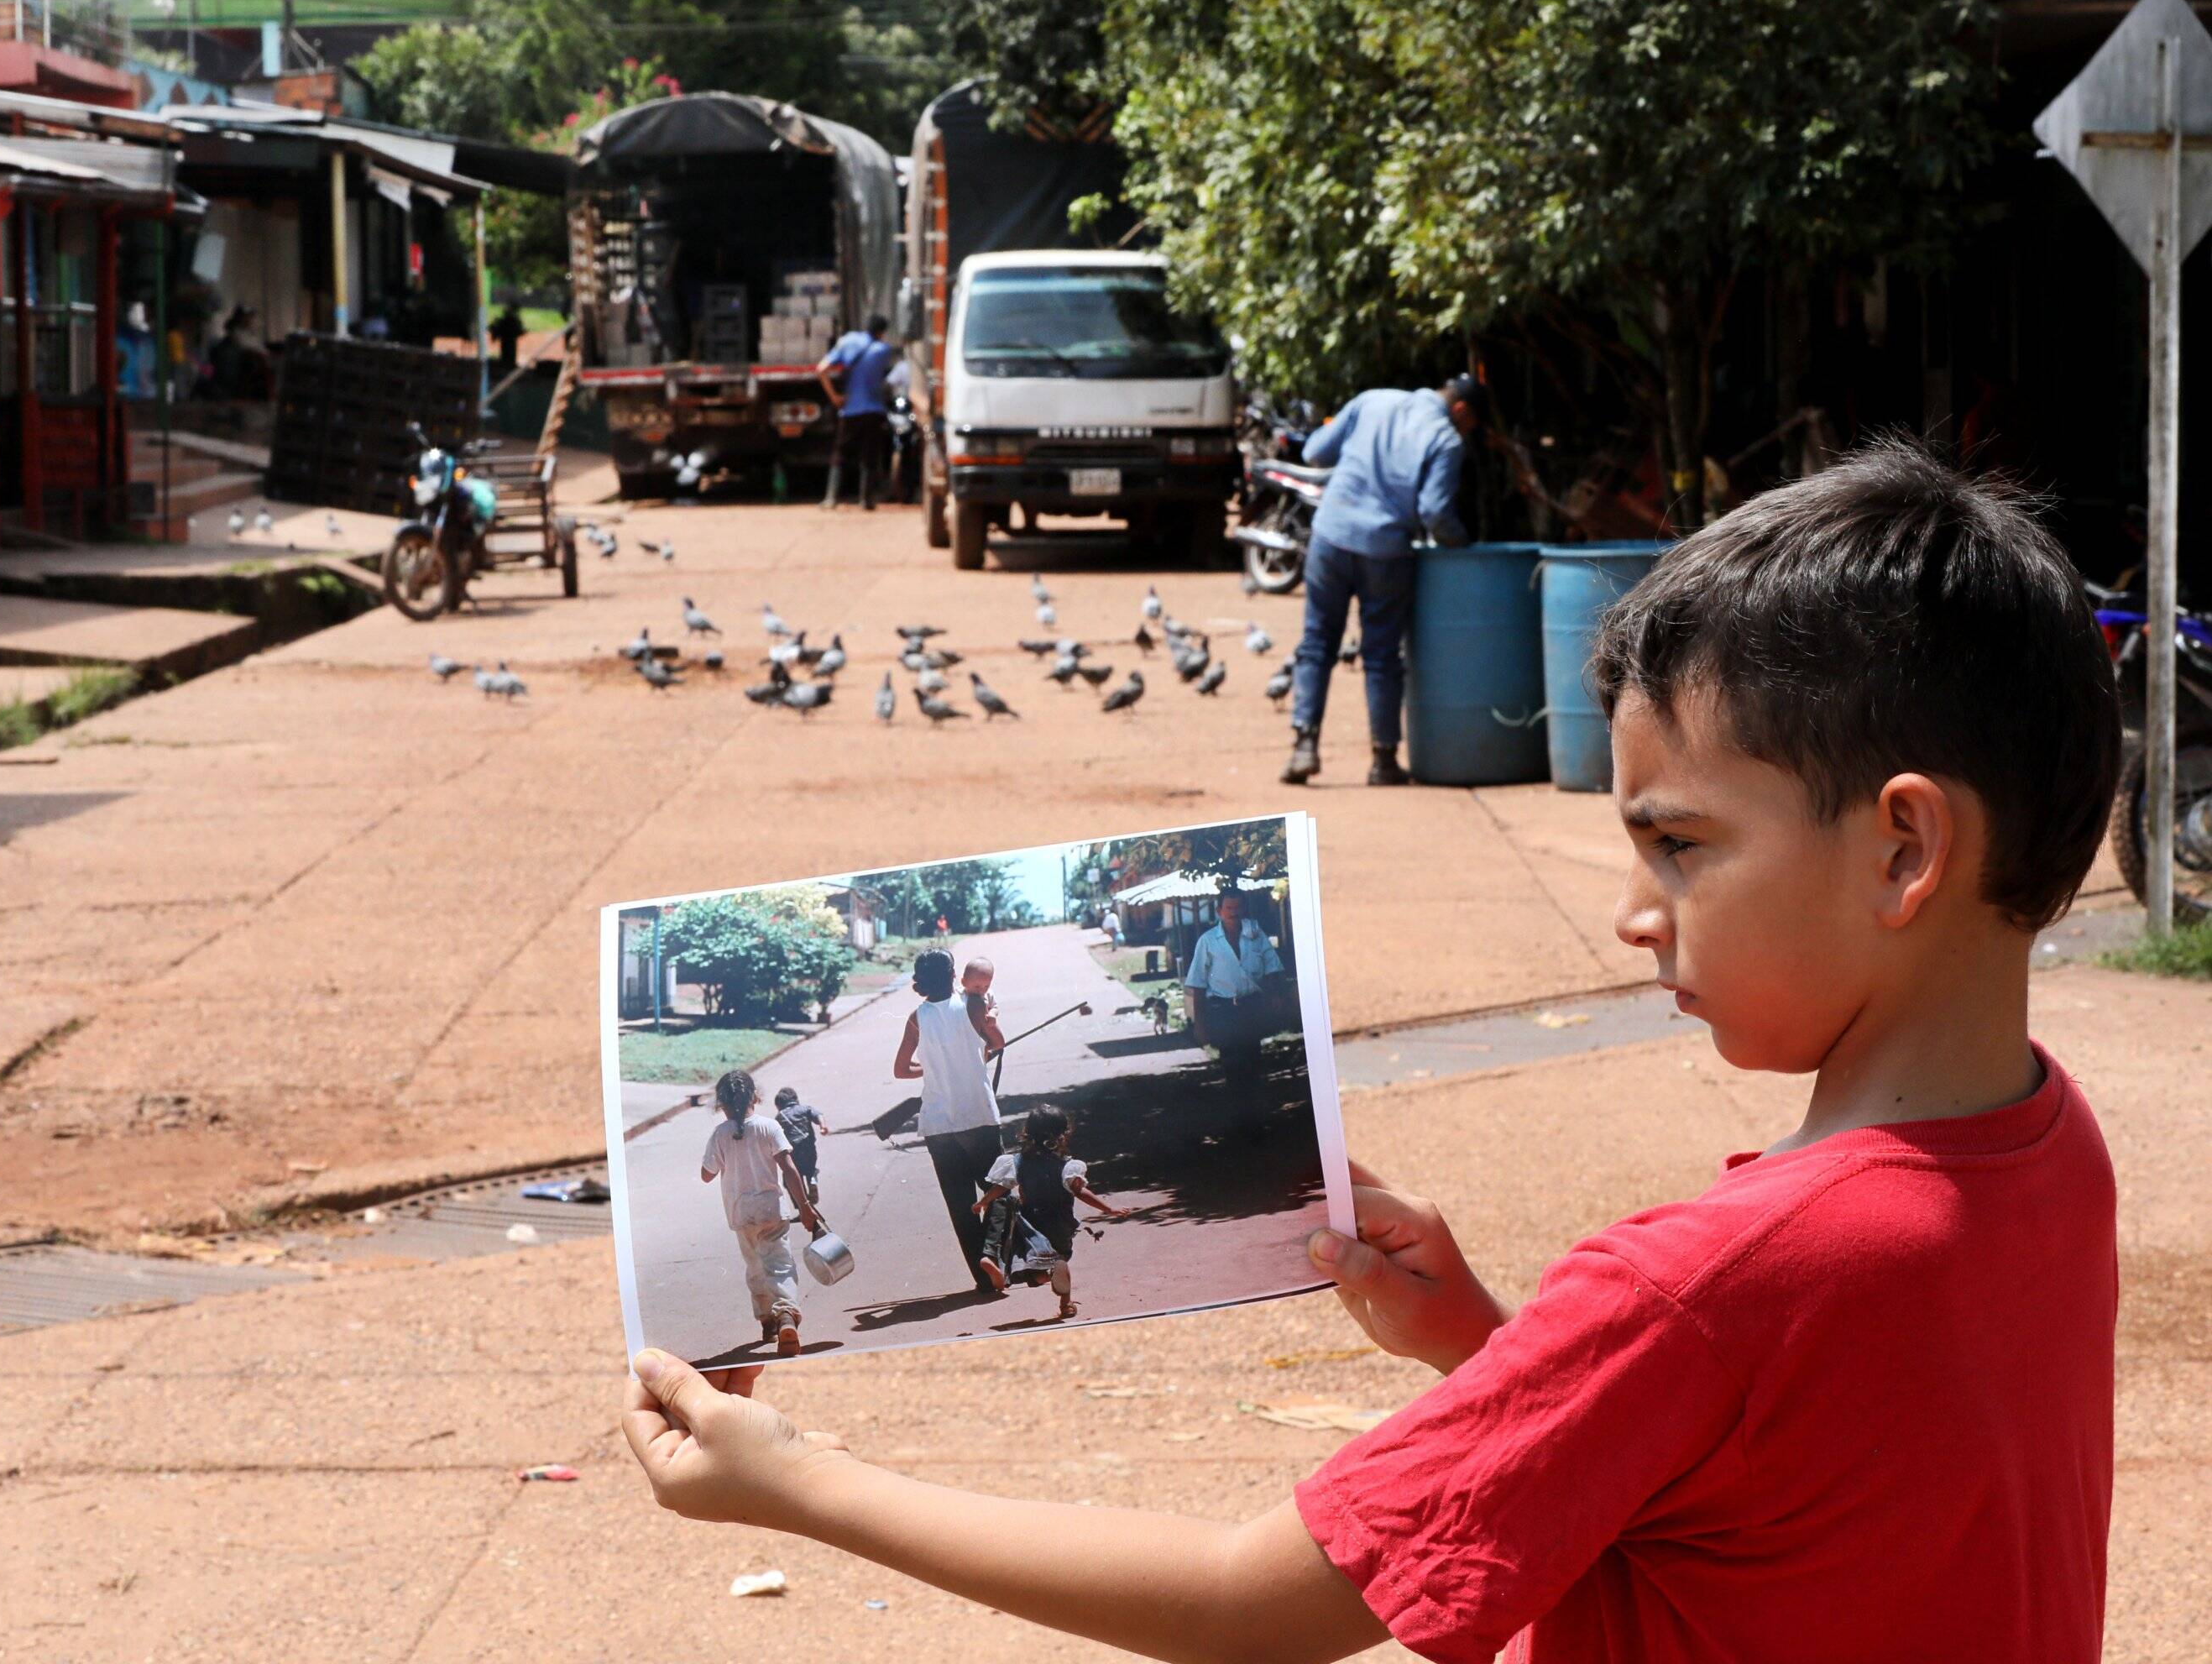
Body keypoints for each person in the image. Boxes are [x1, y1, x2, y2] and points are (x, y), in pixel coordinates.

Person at [619, 439, 2124, 1663]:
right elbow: (1778, 1480)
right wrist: (1498, 1351)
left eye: (1677, 847)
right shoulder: (2049, 1149)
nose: (1631, 918)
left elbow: (1240, 1604)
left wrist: (800, 1484)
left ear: (1903, 848)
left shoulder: (1700, 1289)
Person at [1281, 372, 1488, 788]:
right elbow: (1433, 511)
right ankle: (1383, 761)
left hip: (1331, 538)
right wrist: (1462, 545)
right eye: (1469, 424)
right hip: (1385, 553)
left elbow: (1317, 452)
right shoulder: (1445, 441)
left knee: (1317, 643)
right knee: (1380, 654)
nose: (1464, 431)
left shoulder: (1372, 400)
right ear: (1461, 409)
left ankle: (1304, 746)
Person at [891, 949, 1006, 1295]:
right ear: (954, 974)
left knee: (960, 1205)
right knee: (1000, 1192)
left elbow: (900, 1070)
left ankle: (984, 1278)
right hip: (979, 1117)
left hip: (938, 1125)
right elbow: (997, 1043)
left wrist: (932, 1066)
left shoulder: (916, 1018)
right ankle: (996, 1256)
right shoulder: (972, 1005)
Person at [698, 1069, 824, 1358]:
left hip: (741, 1215)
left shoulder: (720, 1135)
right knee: (779, 1264)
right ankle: (787, 1317)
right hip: (772, 1210)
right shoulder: (769, 1127)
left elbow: (707, 1174)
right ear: (755, 1096)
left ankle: (768, 1321)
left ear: (721, 1105)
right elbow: (789, 1169)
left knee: (755, 1266)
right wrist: (804, 1207)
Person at [972, 1104, 1124, 1318]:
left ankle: (1034, 1274)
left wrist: (984, 1201)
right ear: (1063, 1135)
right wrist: (1109, 1208)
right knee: (1061, 1257)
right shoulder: (1068, 1167)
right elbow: (1080, 1192)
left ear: (1026, 1133)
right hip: (1060, 1224)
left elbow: (1002, 1187)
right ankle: (1066, 1304)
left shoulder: (1017, 1162)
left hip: (1032, 1224)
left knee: (1034, 1262)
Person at [1180, 890, 1284, 1083]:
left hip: (1252, 1008)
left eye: (1238, 907)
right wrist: (1200, 1024)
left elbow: (1272, 966)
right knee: (1233, 1066)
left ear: (1244, 909)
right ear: (1219, 910)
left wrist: (1274, 996)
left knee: (1254, 1063)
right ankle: (1239, 1108)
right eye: (1229, 908)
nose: (1234, 912)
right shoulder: (1208, 941)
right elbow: (1198, 984)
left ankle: (1256, 1108)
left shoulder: (1256, 935)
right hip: (1223, 1011)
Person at [818, 314, 897, 511]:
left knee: (840, 453)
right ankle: (866, 500)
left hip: (851, 409)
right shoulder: (883, 350)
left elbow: (821, 369)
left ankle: (831, 498)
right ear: (881, 332)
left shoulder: (848, 341)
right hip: (874, 410)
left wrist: (835, 397)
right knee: (870, 456)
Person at [771, 1086, 828, 1206]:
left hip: (793, 1152)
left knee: (792, 1180)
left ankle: (804, 1207)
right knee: (810, 1168)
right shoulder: (804, 1109)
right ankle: (812, 1179)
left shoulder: (779, 1117)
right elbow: (818, 1115)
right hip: (809, 1147)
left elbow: (775, 1136)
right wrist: (823, 1127)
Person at [960, 957, 1004, 1053]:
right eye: (977, 986)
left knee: (987, 1045)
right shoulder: (958, 994)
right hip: (965, 1032)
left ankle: (986, 1049)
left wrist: (992, 1014)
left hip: (984, 1030)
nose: (982, 990)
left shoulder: (988, 994)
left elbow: (995, 1007)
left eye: (986, 986)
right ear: (964, 982)